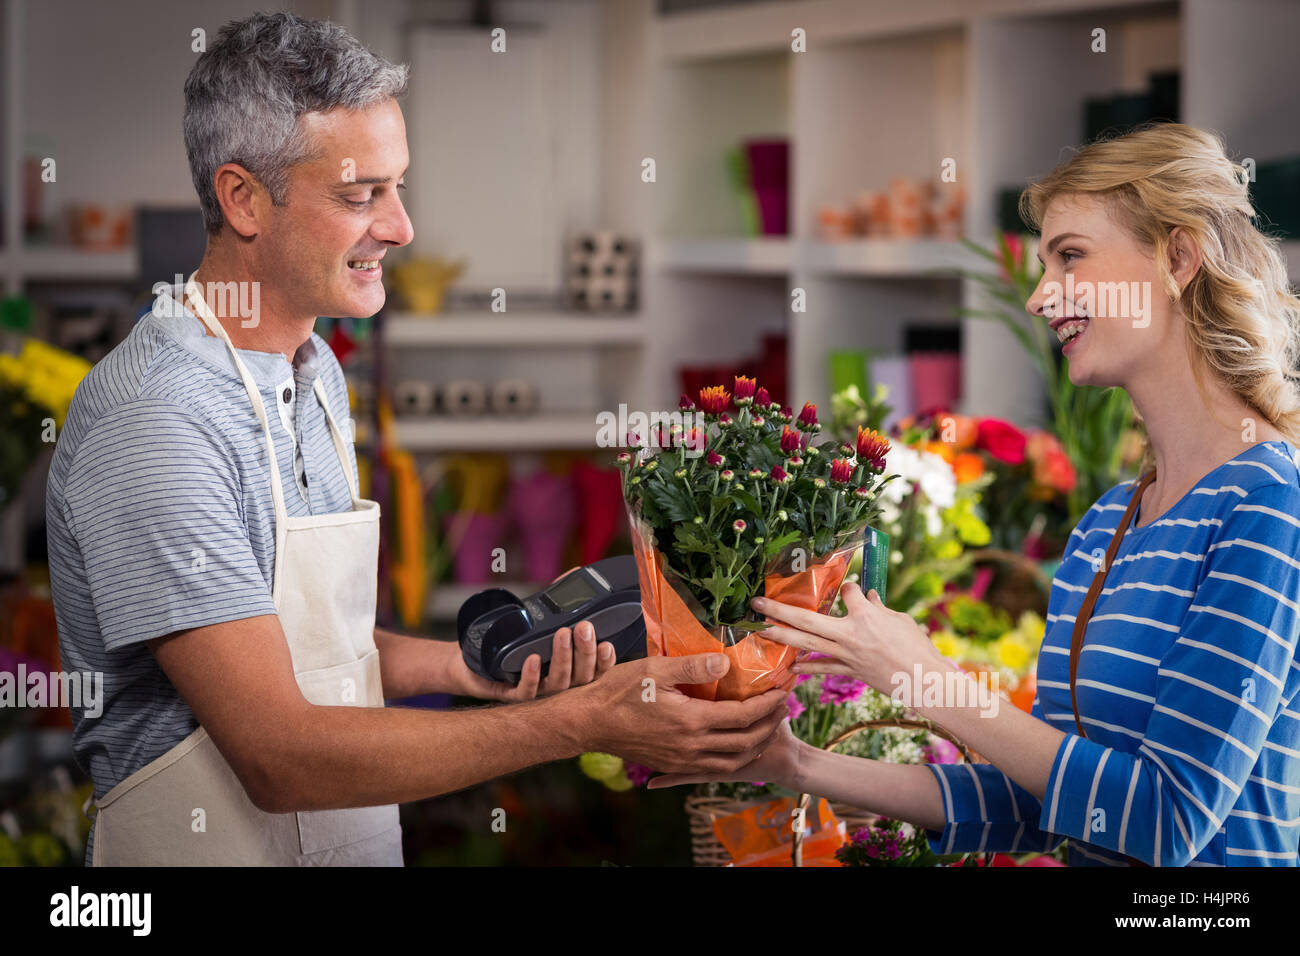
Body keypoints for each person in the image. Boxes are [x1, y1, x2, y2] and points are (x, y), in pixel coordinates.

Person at [46, 12, 787, 866]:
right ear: (242, 198)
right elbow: (278, 758)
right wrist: (577, 722)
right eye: (361, 195)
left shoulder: (314, 369)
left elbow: (301, 641)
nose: (400, 228)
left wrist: (459, 672)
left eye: (398, 188)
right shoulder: (160, 421)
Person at [650, 123, 1300, 867]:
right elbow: (1042, 804)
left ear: (1178, 257)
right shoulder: (1108, 526)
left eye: (1071, 258)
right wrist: (796, 765)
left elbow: (1166, 819)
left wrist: (927, 681)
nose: (1038, 297)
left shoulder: (1266, 504)